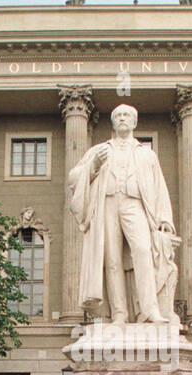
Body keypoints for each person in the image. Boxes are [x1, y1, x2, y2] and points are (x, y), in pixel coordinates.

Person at [68, 104, 180, 326]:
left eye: (126, 115)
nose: (122, 118)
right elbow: (73, 178)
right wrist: (95, 165)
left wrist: (165, 219)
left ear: (134, 122)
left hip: (134, 204)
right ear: (113, 122)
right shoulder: (98, 151)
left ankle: (150, 310)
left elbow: (159, 188)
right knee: (112, 260)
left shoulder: (146, 154)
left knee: (143, 251)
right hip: (107, 203)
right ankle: (119, 313)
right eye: (118, 115)